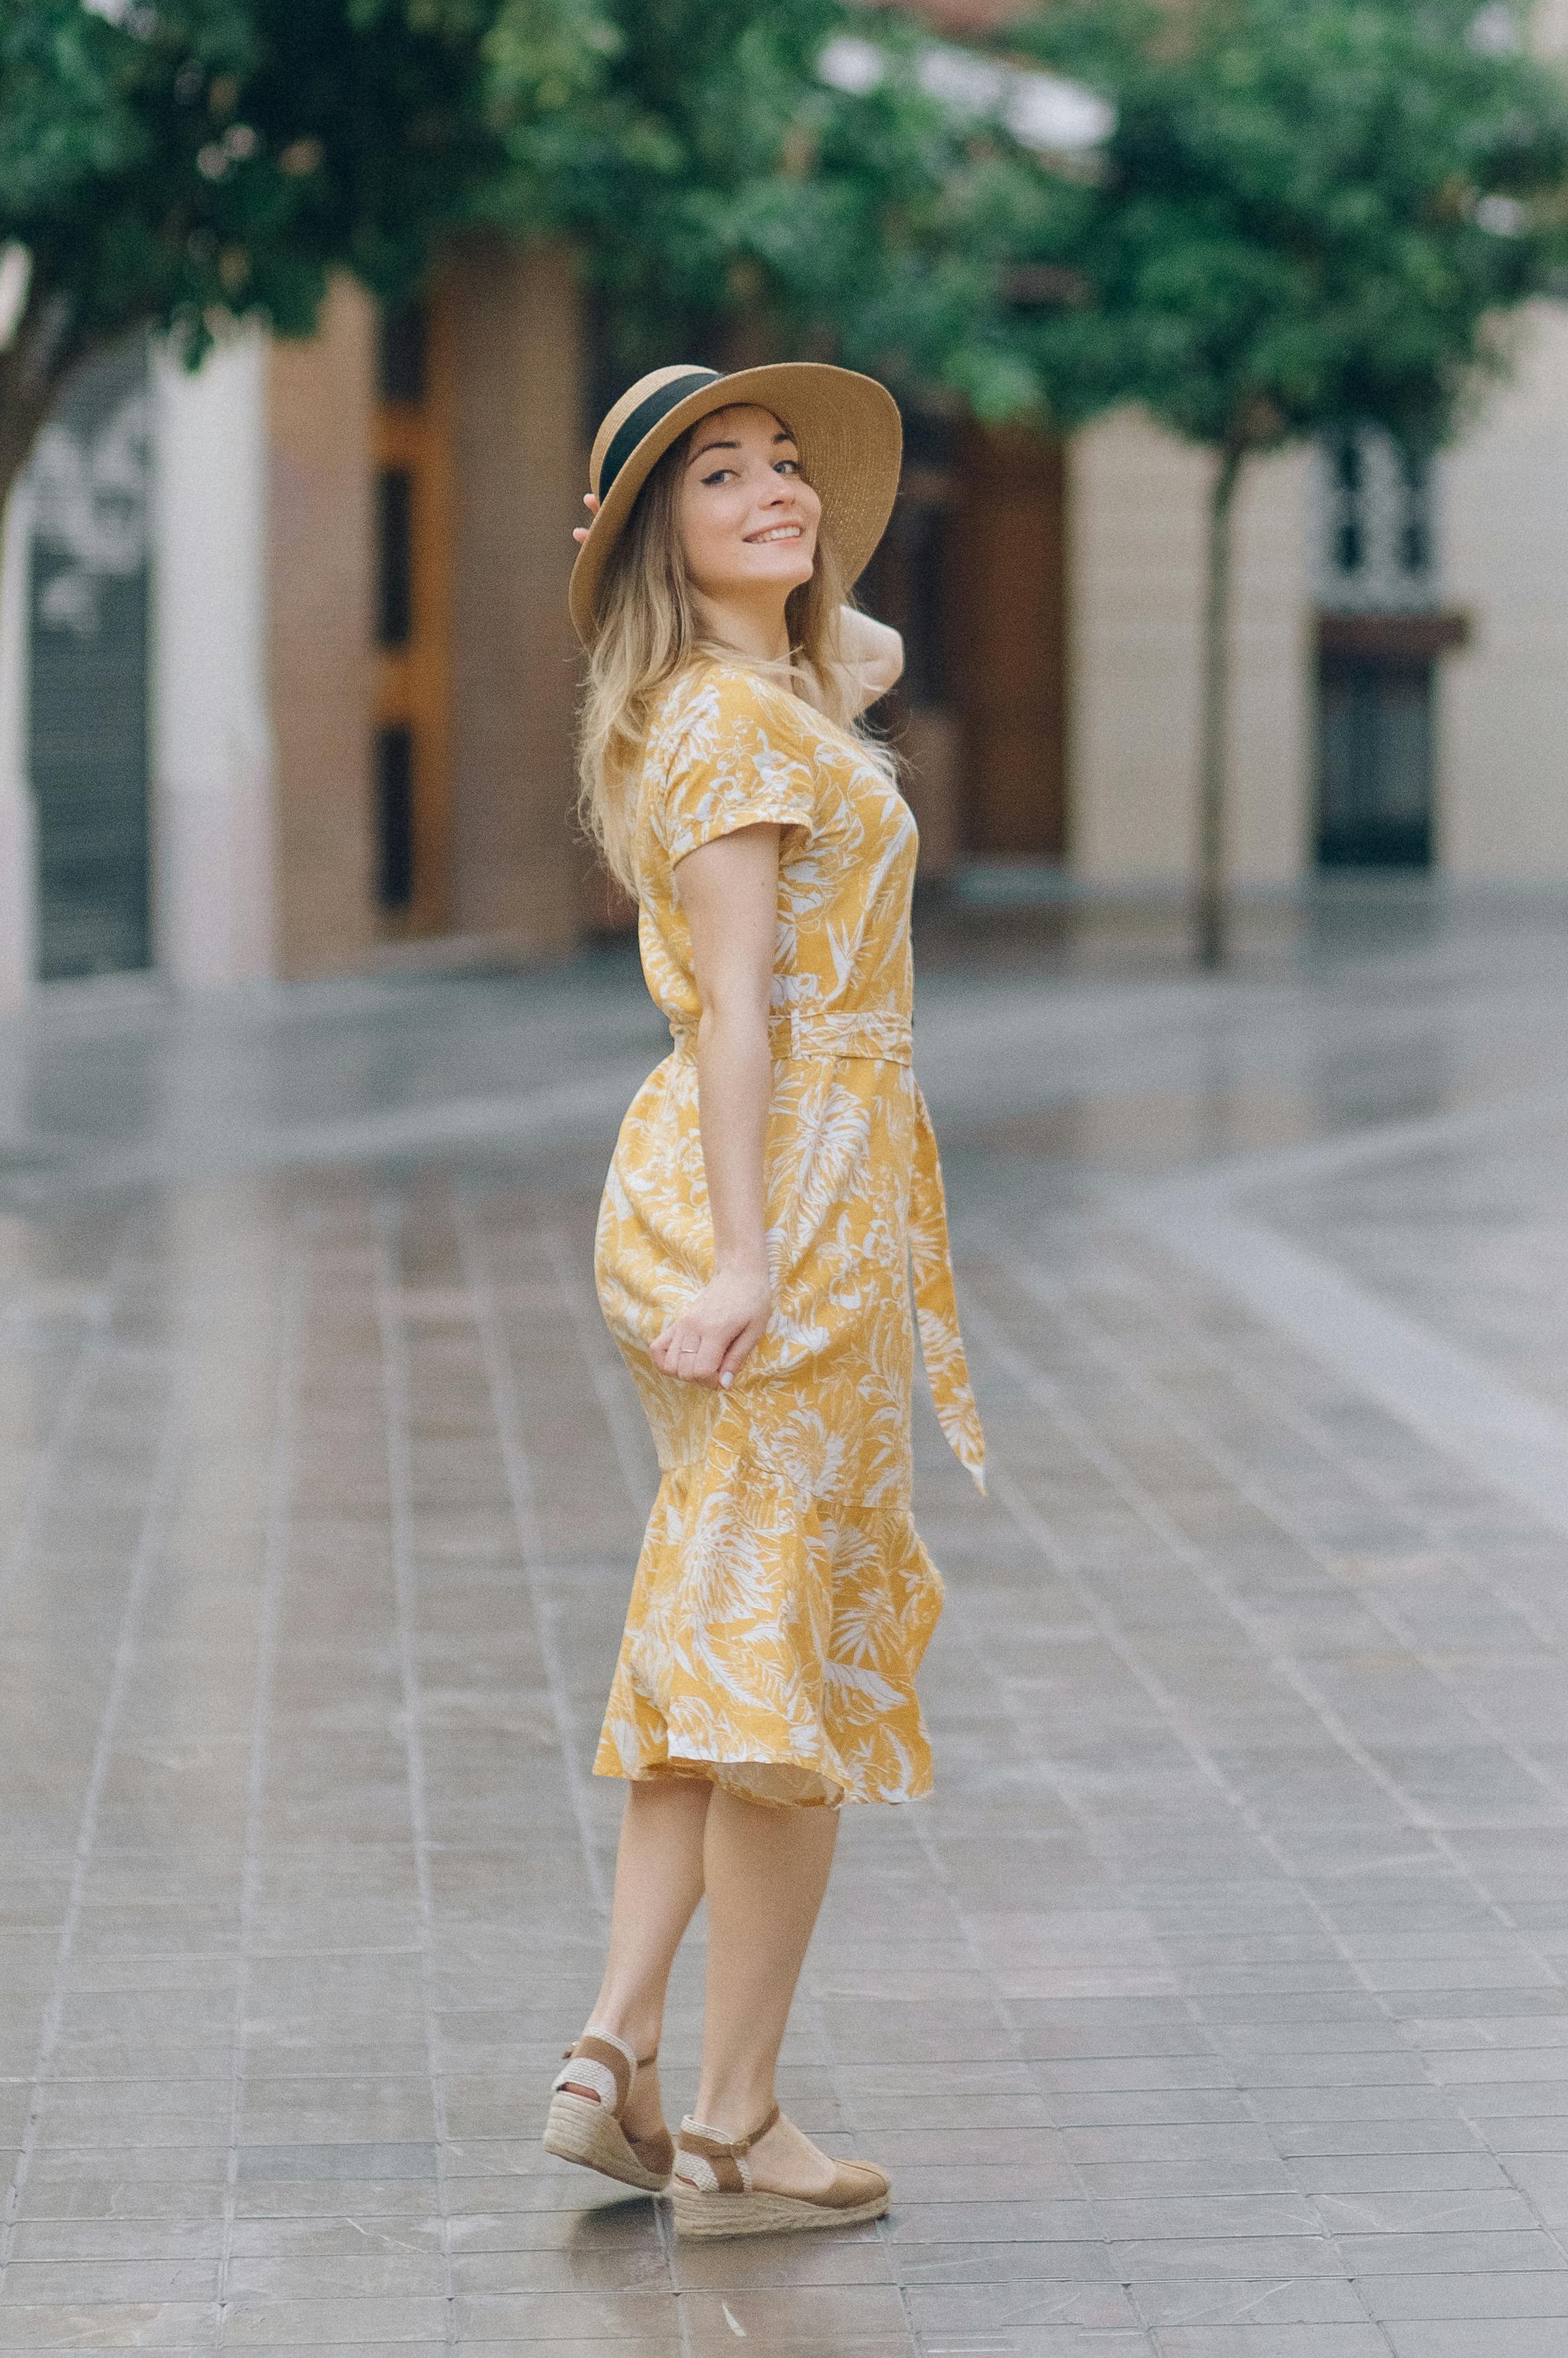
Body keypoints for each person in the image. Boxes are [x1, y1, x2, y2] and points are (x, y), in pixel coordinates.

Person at [546, 361, 984, 2241]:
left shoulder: (754, 693)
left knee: (720, 1624)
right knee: (774, 1662)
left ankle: (611, 2050)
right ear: (656, 533)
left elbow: (861, 648)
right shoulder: (731, 726)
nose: (776, 489)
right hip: (780, 1183)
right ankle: (731, 2119)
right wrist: (743, 1252)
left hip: (807, 1178)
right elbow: (738, 1004)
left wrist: (774, 567)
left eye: (786, 465)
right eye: (718, 475)